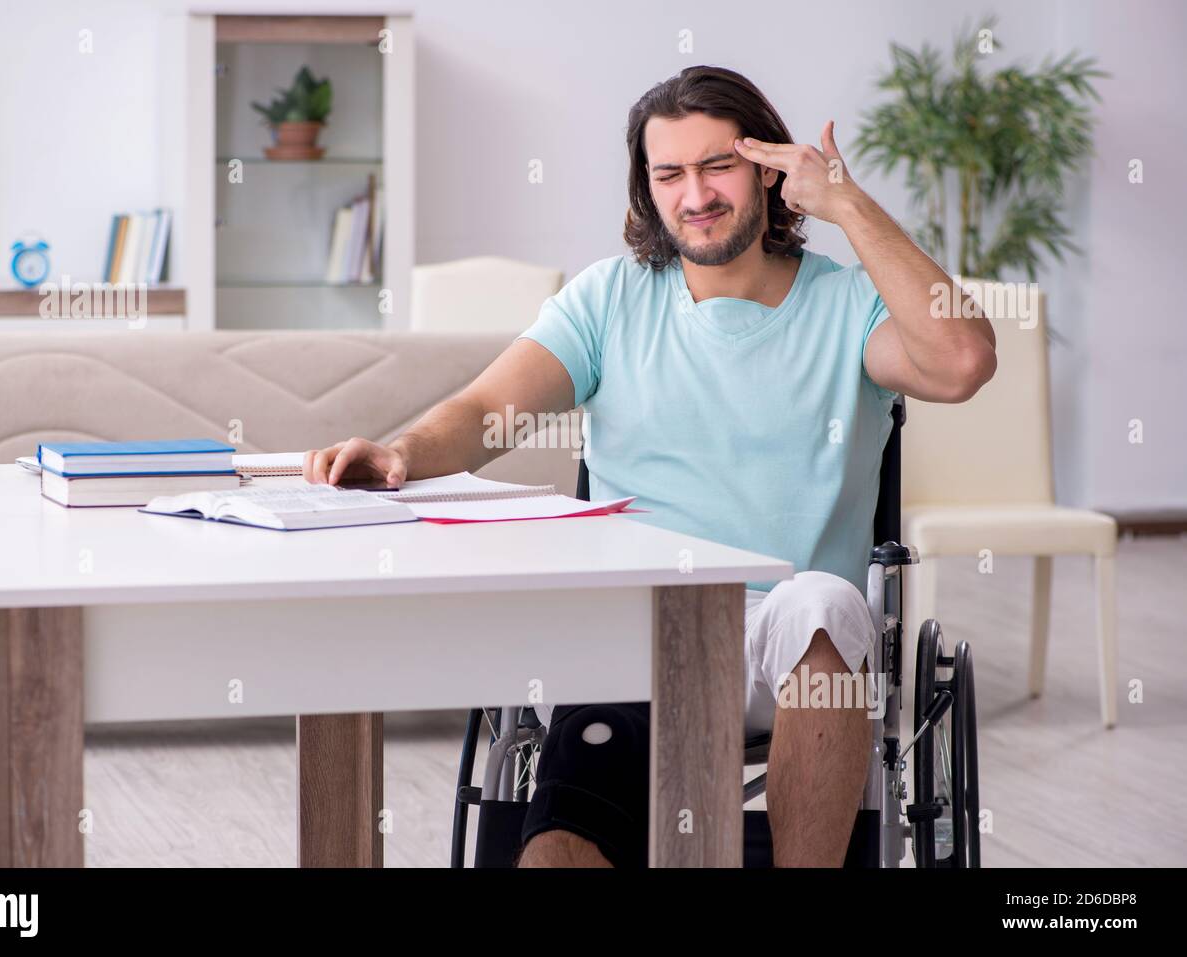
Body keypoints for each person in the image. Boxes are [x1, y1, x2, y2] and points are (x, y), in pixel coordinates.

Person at [303, 65, 996, 867]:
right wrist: (401, 452)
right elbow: (486, 410)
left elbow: (964, 360)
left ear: (770, 171)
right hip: (638, 632)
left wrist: (848, 204)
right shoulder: (610, 300)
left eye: (717, 166)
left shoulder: (847, 306)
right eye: (669, 173)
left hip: (791, 640)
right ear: (648, 187)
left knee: (824, 602)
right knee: (560, 839)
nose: (694, 194)